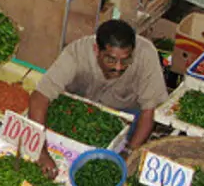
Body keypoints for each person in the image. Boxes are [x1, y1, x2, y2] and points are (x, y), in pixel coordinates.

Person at [29, 20, 168, 159]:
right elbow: (39, 97)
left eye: (125, 60)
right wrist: (41, 151)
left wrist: (129, 153)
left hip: (126, 114)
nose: (118, 67)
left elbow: (149, 111)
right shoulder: (77, 53)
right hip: (80, 110)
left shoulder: (146, 54)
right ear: (96, 50)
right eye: (111, 60)